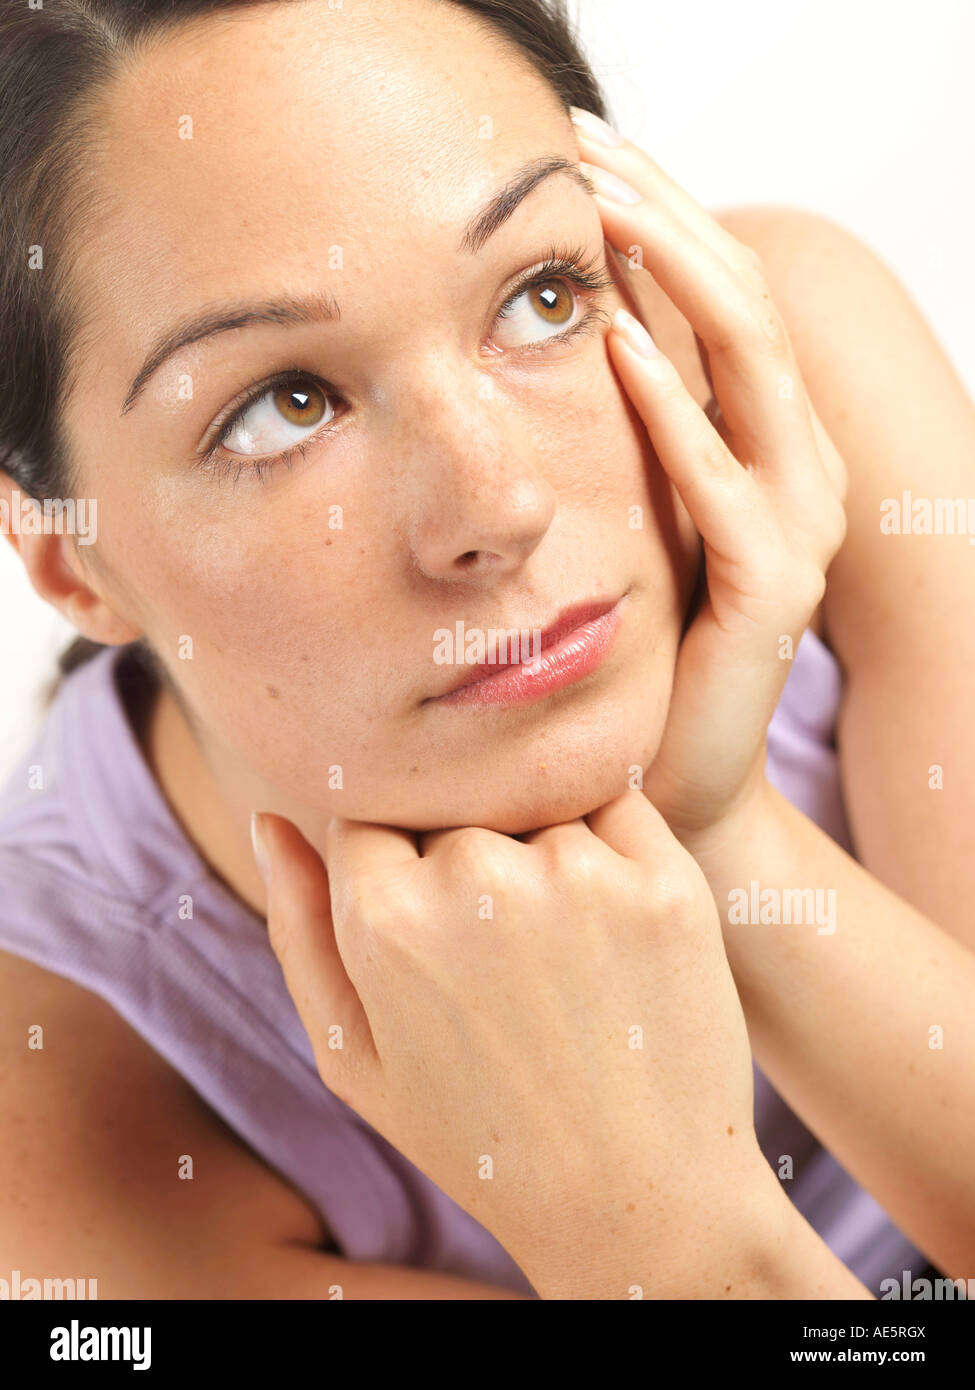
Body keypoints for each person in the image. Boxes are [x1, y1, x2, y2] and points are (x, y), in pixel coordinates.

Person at [1, 0, 973, 1299]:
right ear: (73, 558)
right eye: (283, 406)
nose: (498, 506)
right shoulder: (57, 1092)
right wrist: (658, 1244)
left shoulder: (796, 380)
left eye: (542, 293)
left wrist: (721, 826)